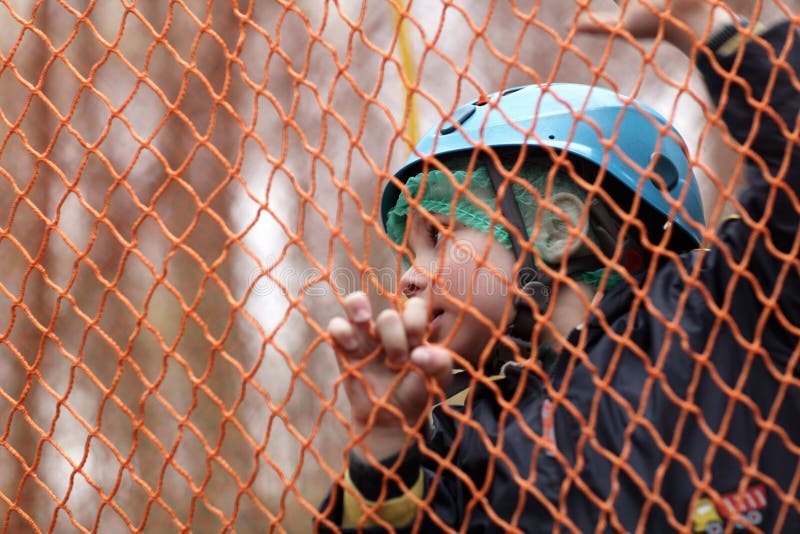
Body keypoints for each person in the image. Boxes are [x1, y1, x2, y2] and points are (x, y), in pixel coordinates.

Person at [317, 1, 800, 531]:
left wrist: (711, 33)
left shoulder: (727, 310)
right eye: (410, 254)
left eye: (439, 234)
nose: (408, 277)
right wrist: (384, 446)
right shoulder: (462, 442)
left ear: (556, 223)